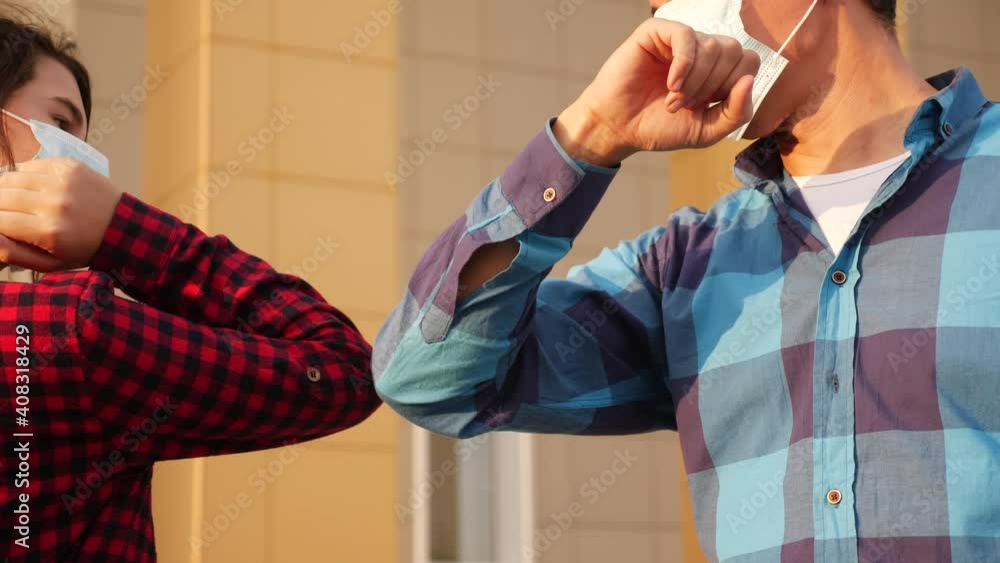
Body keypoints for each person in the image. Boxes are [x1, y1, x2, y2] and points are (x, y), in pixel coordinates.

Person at [375, 0, 1000, 560]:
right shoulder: (681, 266)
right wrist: (592, 134)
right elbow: (426, 379)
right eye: (657, 4)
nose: (675, 17)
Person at [0, 8, 379, 562]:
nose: (82, 164)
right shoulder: (63, 332)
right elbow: (341, 367)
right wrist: (125, 232)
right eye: (60, 125)